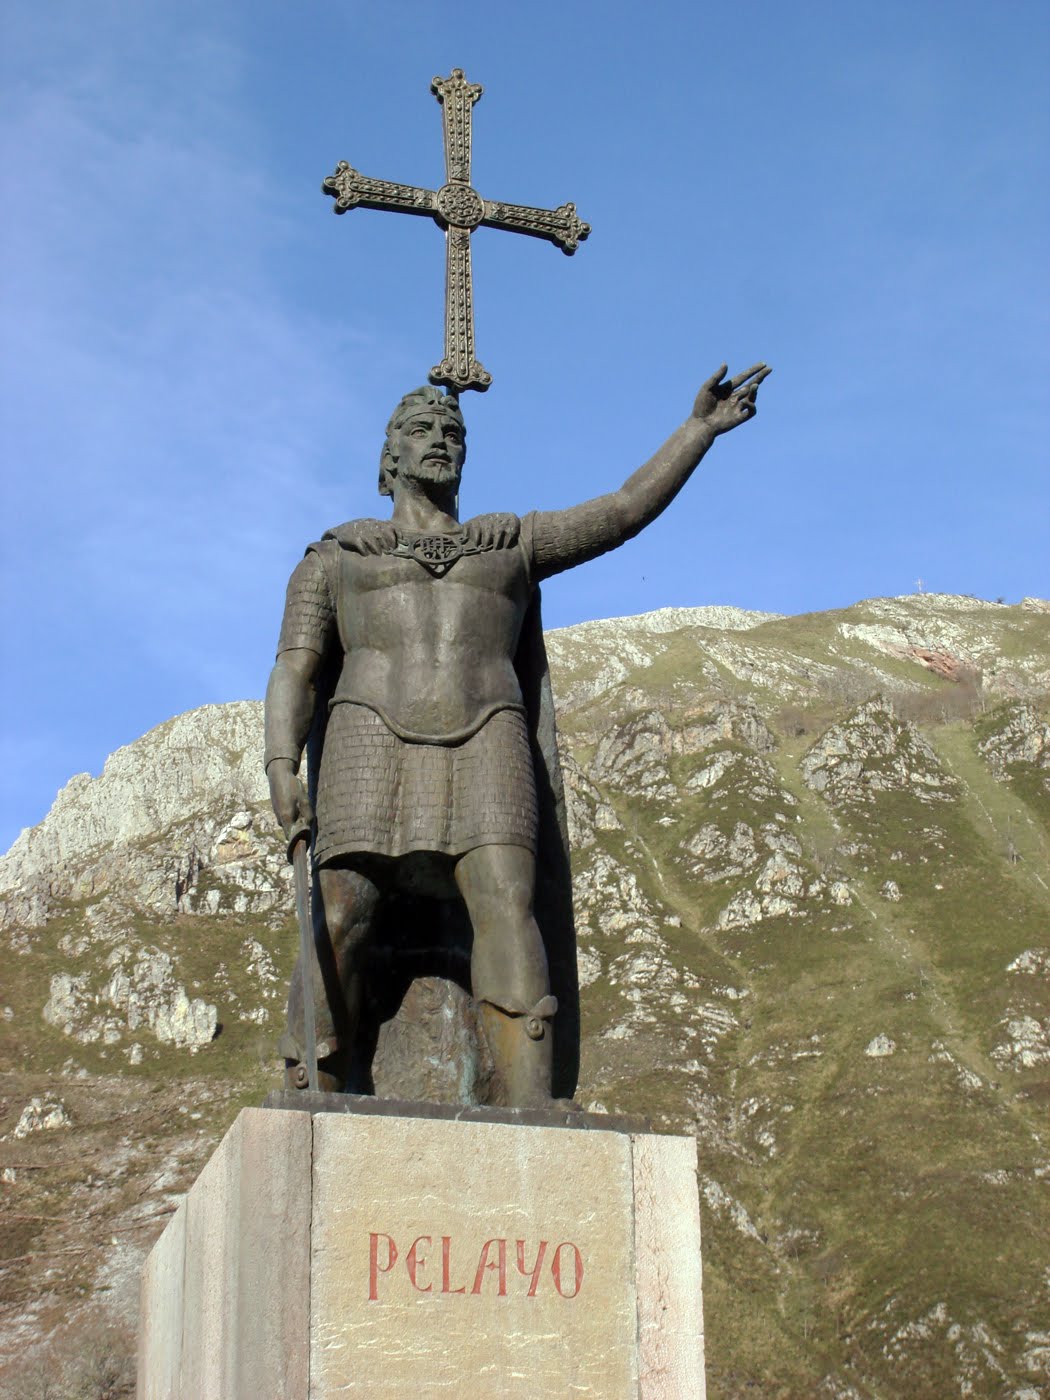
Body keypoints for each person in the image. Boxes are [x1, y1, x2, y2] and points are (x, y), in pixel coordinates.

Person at [265, 362, 771, 1106]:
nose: (440, 439)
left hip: (489, 737)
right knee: (343, 912)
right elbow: (296, 666)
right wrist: (281, 763)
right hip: (368, 740)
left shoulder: (509, 547)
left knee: (506, 905)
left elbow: (621, 512)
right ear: (389, 456)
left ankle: (530, 1106)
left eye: (452, 432)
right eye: (420, 430)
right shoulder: (336, 557)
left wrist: (697, 431)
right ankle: (315, 1082)